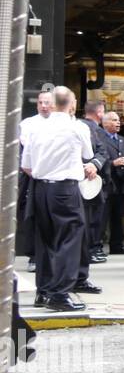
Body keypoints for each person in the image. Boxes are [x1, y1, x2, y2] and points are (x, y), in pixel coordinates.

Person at [22, 86, 97, 311]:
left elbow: (26, 165)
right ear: (72, 104)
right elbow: (88, 154)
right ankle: (59, 294)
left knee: (45, 240)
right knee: (69, 239)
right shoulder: (77, 127)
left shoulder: (34, 128)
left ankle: (43, 291)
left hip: (40, 187)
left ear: (53, 103)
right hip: (64, 188)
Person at [18, 90, 54, 274]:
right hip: (33, 176)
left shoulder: (61, 124)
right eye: (41, 102)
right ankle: (33, 256)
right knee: (32, 216)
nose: (44, 106)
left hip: (56, 178)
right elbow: (27, 152)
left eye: (47, 102)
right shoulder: (28, 124)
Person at [80, 100, 114, 266]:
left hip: (76, 179)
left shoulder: (77, 126)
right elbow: (103, 154)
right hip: (94, 181)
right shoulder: (97, 131)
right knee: (93, 219)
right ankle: (91, 250)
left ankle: (87, 250)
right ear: (100, 112)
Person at [101, 111, 124, 255]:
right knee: (103, 216)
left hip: (121, 183)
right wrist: (112, 163)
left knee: (118, 216)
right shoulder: (100, 139)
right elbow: (97, 160)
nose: (118, 122)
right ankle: (97, 246)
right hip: (107, 182)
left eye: (118, 120)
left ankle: (117, 245)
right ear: (105, 123)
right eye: (114, 120)